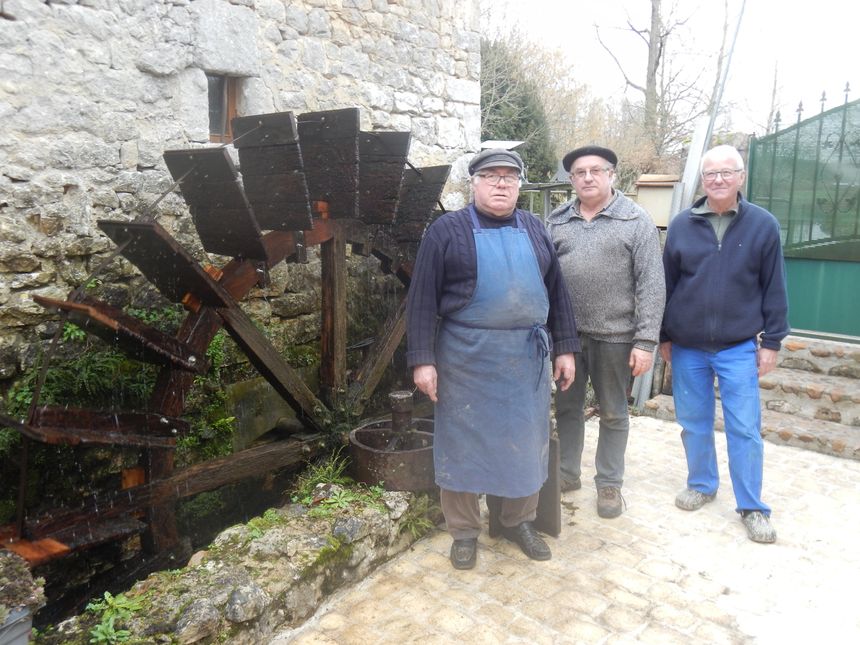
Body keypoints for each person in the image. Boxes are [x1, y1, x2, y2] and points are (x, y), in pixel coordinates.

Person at [406, 148, 579, 570]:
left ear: (519, 184)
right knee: (463, 447)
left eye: (509, 176)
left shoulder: (536, 230)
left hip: (526, 362)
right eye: (491, 176)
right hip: (465, 361)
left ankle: (519, 520)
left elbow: (558, 294)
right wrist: (422, 360)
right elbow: (422, 300)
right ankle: (464, 532)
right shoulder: (445, 231)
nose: (501, 183)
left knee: (525, 444)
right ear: (475, 183)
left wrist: (565, 348)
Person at [660, 144, 789, 544]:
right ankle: (702, 484)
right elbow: (666, 284)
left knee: (744, 427)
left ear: (740, 177)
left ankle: (752, 506)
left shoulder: (762, 225)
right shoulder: (681, 224)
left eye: (726, 173)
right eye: (710, 174)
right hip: (687, 347)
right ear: (702, 180)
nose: (717, 180)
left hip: (737, 347)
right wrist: (663, 335)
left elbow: (774, 286)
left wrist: (772, 341)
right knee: (693, 422)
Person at [546, 145, 665, 519]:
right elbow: (545, 279)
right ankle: (566, 473)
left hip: (616, 337)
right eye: (579, 172)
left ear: (612, 175)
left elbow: (651, 284)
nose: (587, 178)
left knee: (614, 412)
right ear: (571, 180)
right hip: (567, 338)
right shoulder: (557, 221)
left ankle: (609, 483)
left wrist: (645, 342)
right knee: (567, 409)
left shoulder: (636, 220)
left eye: (596, 171)